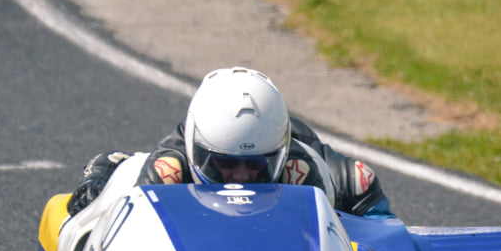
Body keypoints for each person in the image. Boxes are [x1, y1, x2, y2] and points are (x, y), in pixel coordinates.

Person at [67, 66, 392, 217]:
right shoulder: (169, 169)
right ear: (200, 152)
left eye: (255, 166)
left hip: (306, 150)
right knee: (97, 191)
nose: (240, 177)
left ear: (277, 156)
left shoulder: (300, 171)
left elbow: (330, 249)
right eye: (226, 164)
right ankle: (107, 167)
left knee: (360, 180)